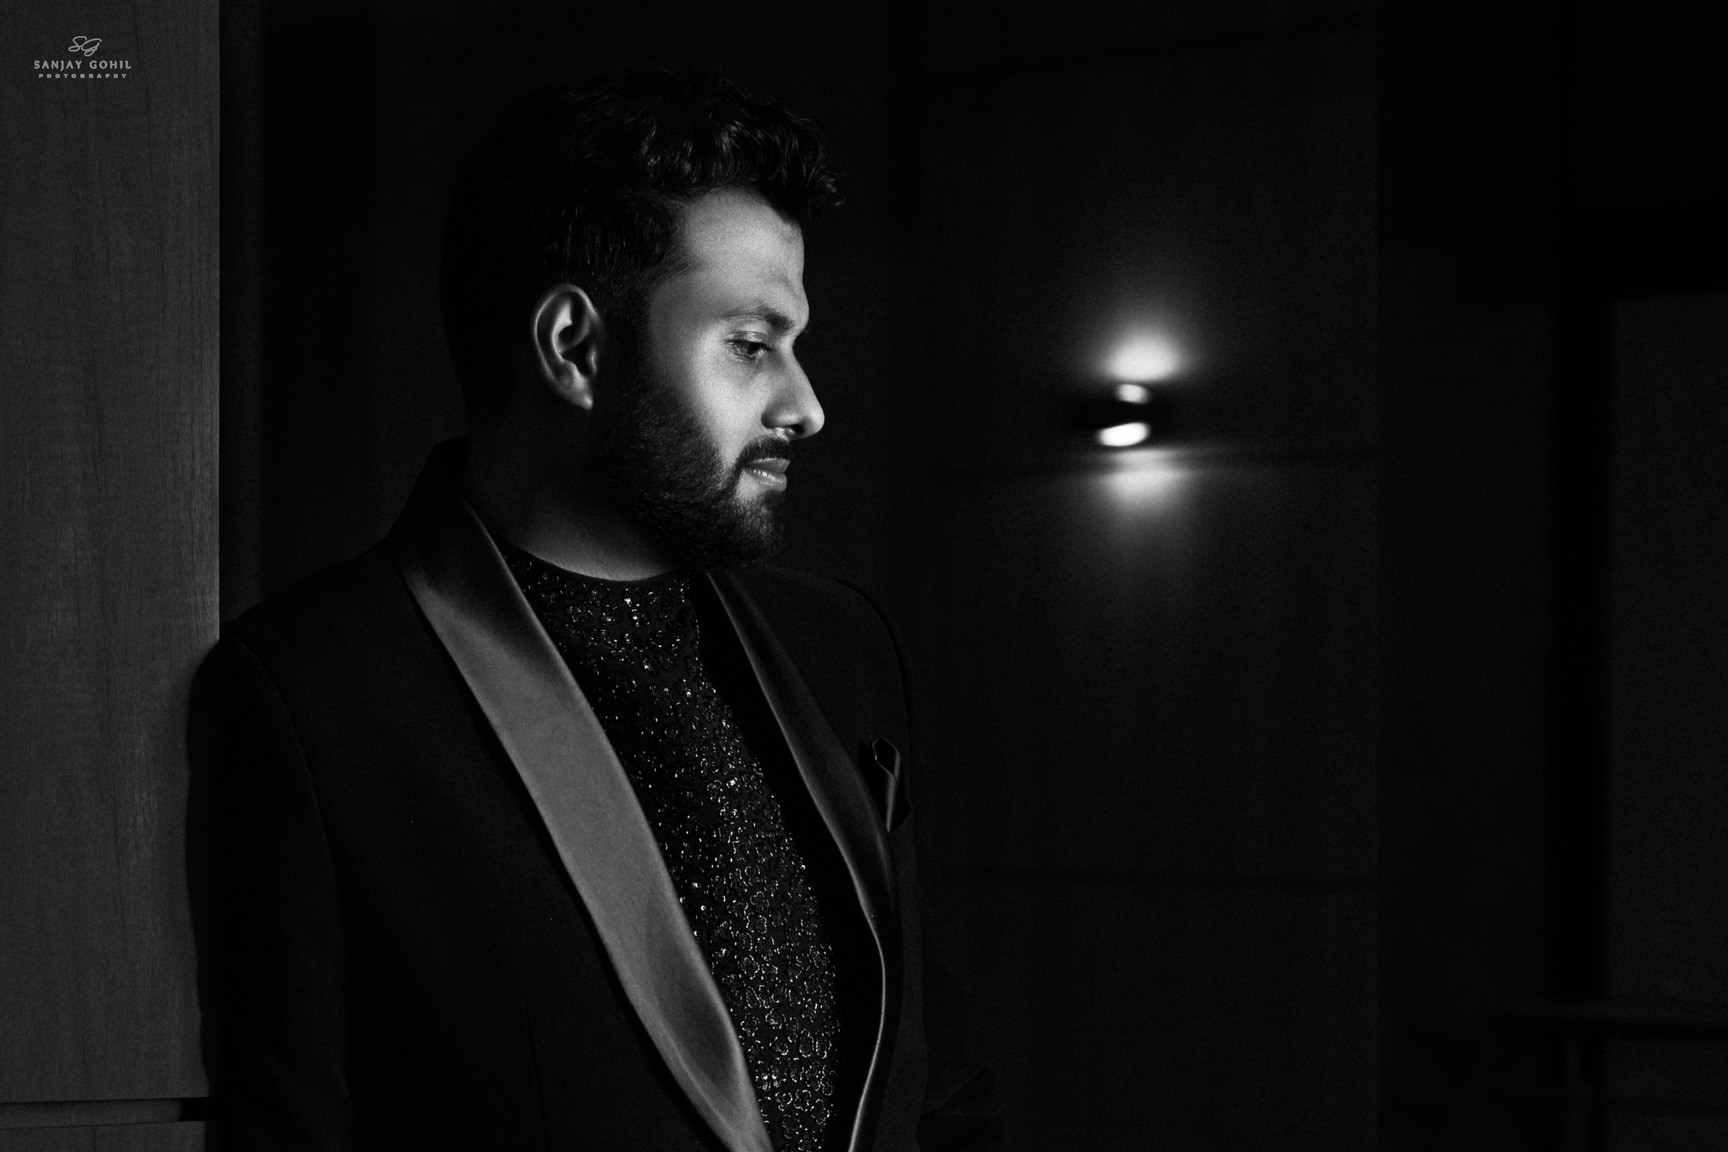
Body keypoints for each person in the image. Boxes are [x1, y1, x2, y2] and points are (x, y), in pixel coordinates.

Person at [216, 70, 998, 1151]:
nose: (806, 405)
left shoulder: (844, 649)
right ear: (574, 349)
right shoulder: (314, 695)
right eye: (750, 343)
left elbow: (942, 1095)